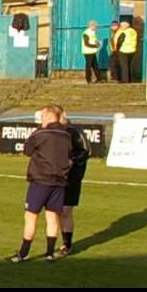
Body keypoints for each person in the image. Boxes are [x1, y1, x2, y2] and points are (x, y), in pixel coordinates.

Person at [7, 105, 72, 263]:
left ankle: (24, 253)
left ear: (50, 117)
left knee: (31, 216)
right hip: (59, 181)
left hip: (41, 180)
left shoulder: (41, 134)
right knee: (52, 216)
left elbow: (27, 150)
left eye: (43, 116)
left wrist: (38, 130)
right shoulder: (66, 135)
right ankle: (49, 253)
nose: (41, 119)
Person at [56, 108, 91, 256]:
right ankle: (56, 242)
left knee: (65, 211)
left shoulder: (74, 132)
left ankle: (66, 245)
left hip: (72, 177)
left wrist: (72, 161)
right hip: (55, 176)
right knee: (56, 211)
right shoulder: (51, 132)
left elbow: (86, 151)